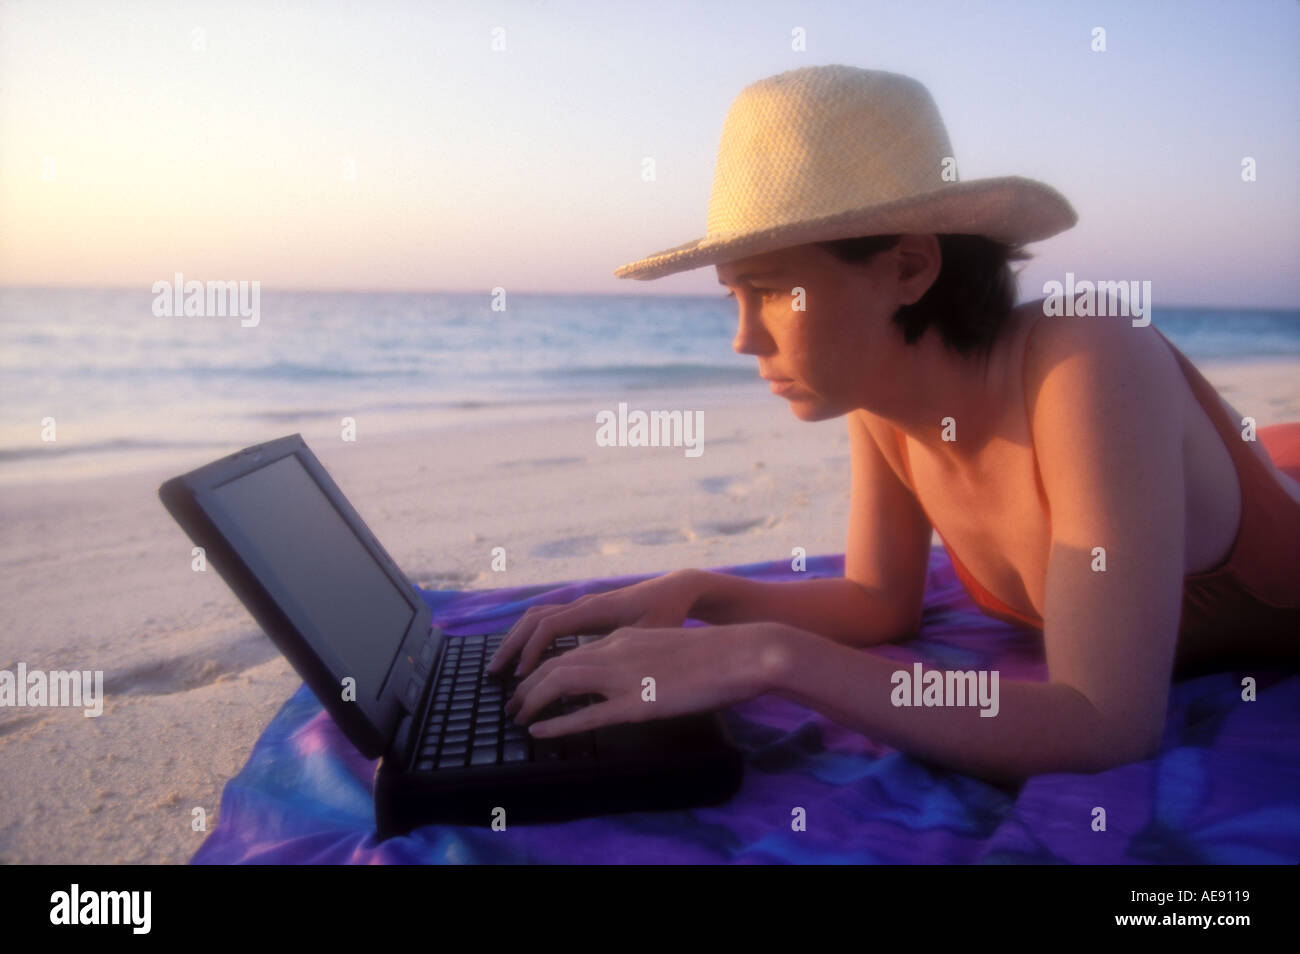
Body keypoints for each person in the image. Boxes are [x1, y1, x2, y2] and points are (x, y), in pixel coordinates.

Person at [486, 65, 1300, 783]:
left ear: (908, 267)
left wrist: (771, 656)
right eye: (732, 296)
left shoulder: (1087, 361)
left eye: (771, 290)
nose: (742, 338)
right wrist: (696, 592)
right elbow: (881, 605)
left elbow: (1106, 725)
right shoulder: (882, 403)